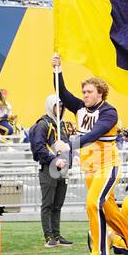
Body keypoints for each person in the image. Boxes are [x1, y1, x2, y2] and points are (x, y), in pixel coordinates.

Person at [51, 54, 128, 255]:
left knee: (93, 204)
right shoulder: (80, 108)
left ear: (100, 93)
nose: (84, 95)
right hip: (89, 169)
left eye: (89, 92)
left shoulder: (109, 112)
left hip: (107, 167)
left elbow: (95, 133)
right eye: (83, 92)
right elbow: (62, 93)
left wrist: (69, 145)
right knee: (110, 213)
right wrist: (57, 70)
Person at [27, 93, 73, 247]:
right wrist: (54, 160)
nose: (59, 108)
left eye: (61, 106)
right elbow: (39, 147)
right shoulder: (43, 124)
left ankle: (57, 234)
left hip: (63, 169)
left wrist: (71, 158)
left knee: (58, 204)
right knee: (48, 203)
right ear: (50, 106)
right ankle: (49, 236)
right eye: (56, 105)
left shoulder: (63, 125)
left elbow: (67, 145)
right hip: (48, 168)